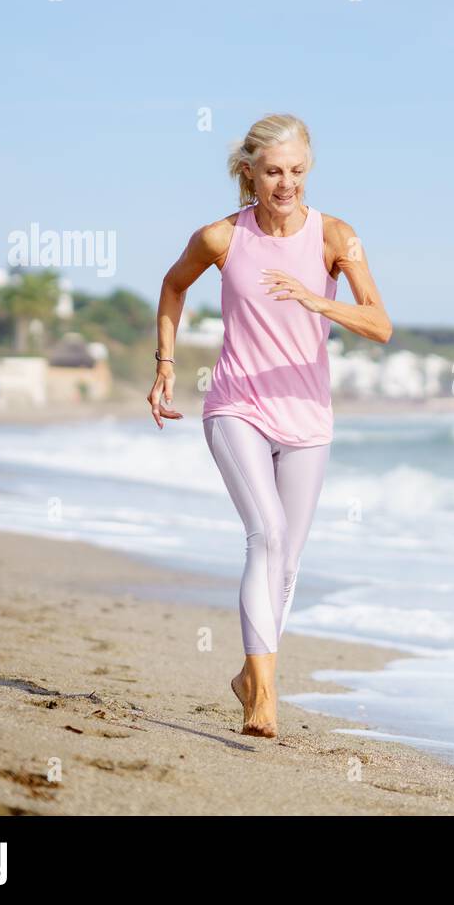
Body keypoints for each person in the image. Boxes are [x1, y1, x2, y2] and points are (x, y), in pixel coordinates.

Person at [149, 113, 392, 737]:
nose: (286, 185)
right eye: (274, 172)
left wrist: (319, 300)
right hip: (238, 405)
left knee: (288, 561)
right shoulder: (221, 238)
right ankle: (265, 694)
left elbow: (380, 324)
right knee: (267, 534)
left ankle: (247, 674)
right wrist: (166, 365)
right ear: (249, 171)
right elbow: (173, 288)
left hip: (308, 416)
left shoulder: (337, 236)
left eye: (298, 171)